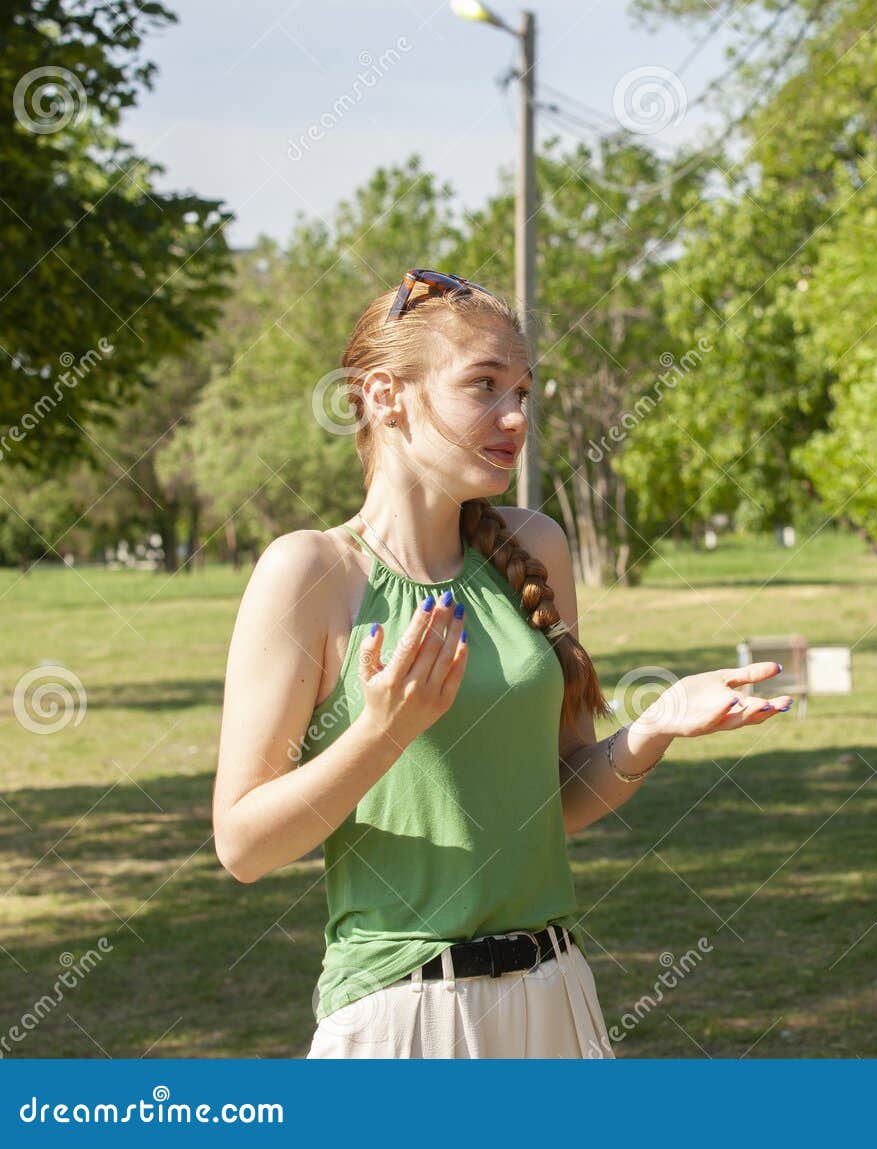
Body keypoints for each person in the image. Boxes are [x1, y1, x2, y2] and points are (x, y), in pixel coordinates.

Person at [211, 268, 792, 1058]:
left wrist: (652, 729)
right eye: (483, 385)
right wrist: (381, 732)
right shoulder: (311, 573)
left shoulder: (537, 547)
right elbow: (243, 845)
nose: (515, 416)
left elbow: (556, 801)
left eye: (523, 389)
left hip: (557, 995)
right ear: (385, 396)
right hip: (402, 1017)